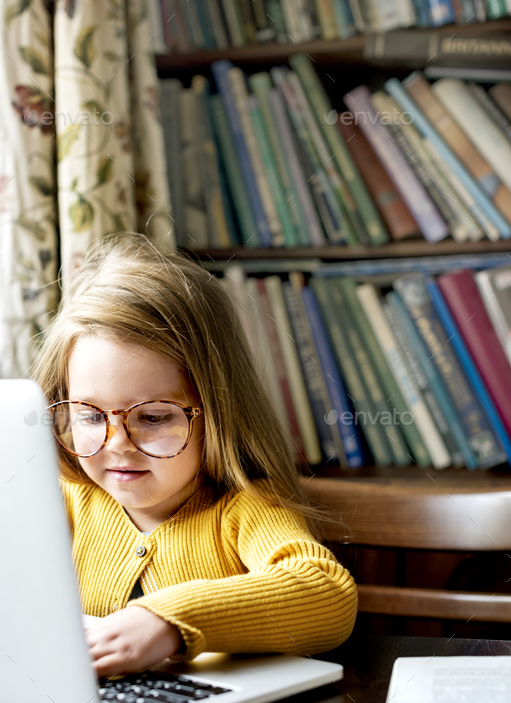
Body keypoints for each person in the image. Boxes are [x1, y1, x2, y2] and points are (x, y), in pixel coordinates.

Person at [33, 233, 357, 678]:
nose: (117, 444)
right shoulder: (64, 501)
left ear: (218, 414)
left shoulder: (245, 510)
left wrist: (165, 621)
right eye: (89, 416)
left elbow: (328, 596)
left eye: (152, 418)